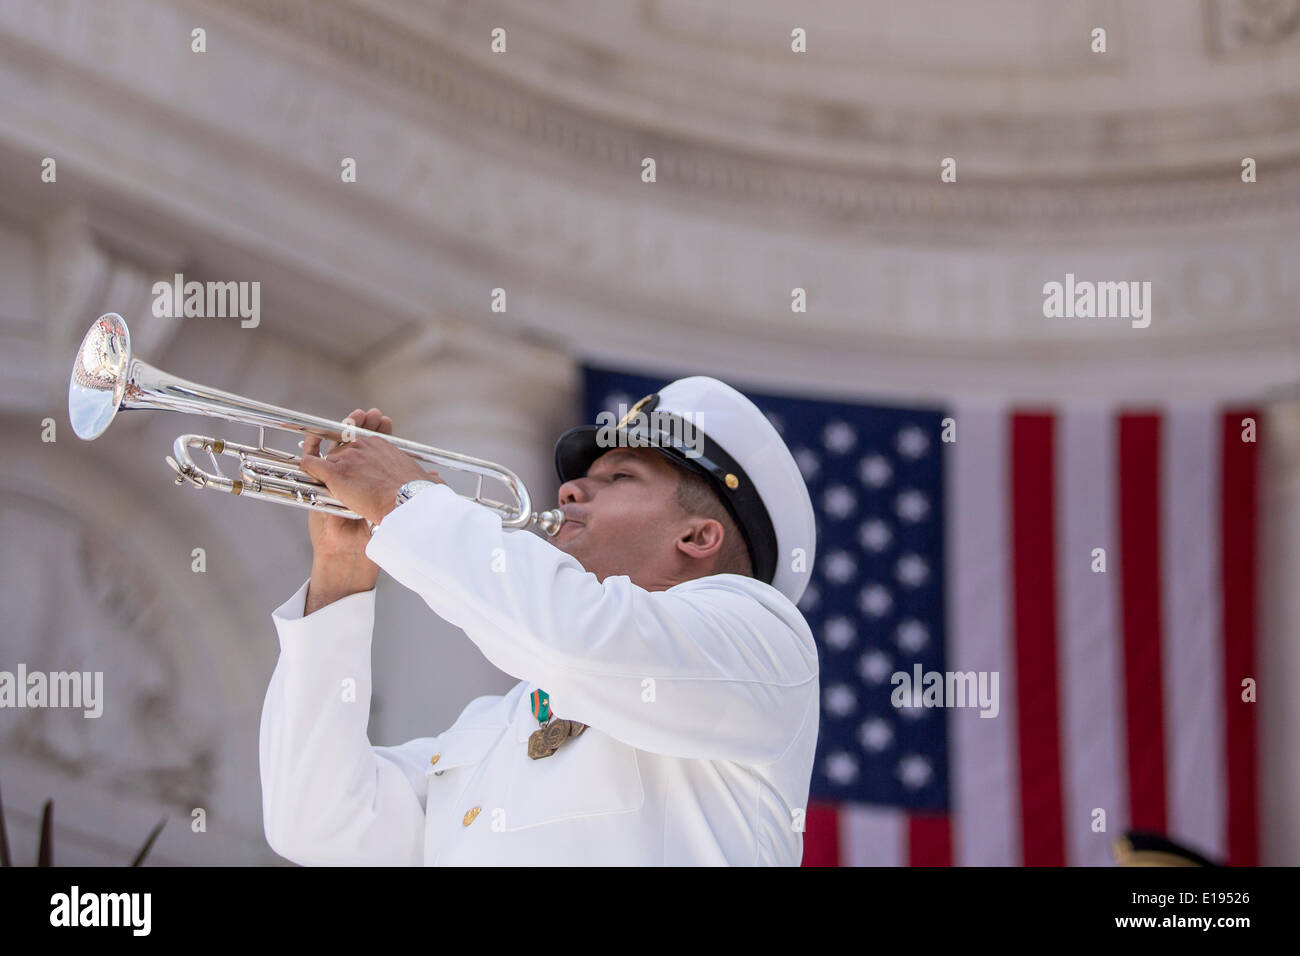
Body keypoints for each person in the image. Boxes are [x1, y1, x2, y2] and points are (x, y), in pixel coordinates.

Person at [258, 376, 819, 865]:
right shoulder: (498, 723)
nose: (571, 489)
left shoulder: (762, 637)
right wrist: (340, 573)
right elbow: (317, 821)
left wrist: (406, 501)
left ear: (697, 537)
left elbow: (579, 640)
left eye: (621, 477)